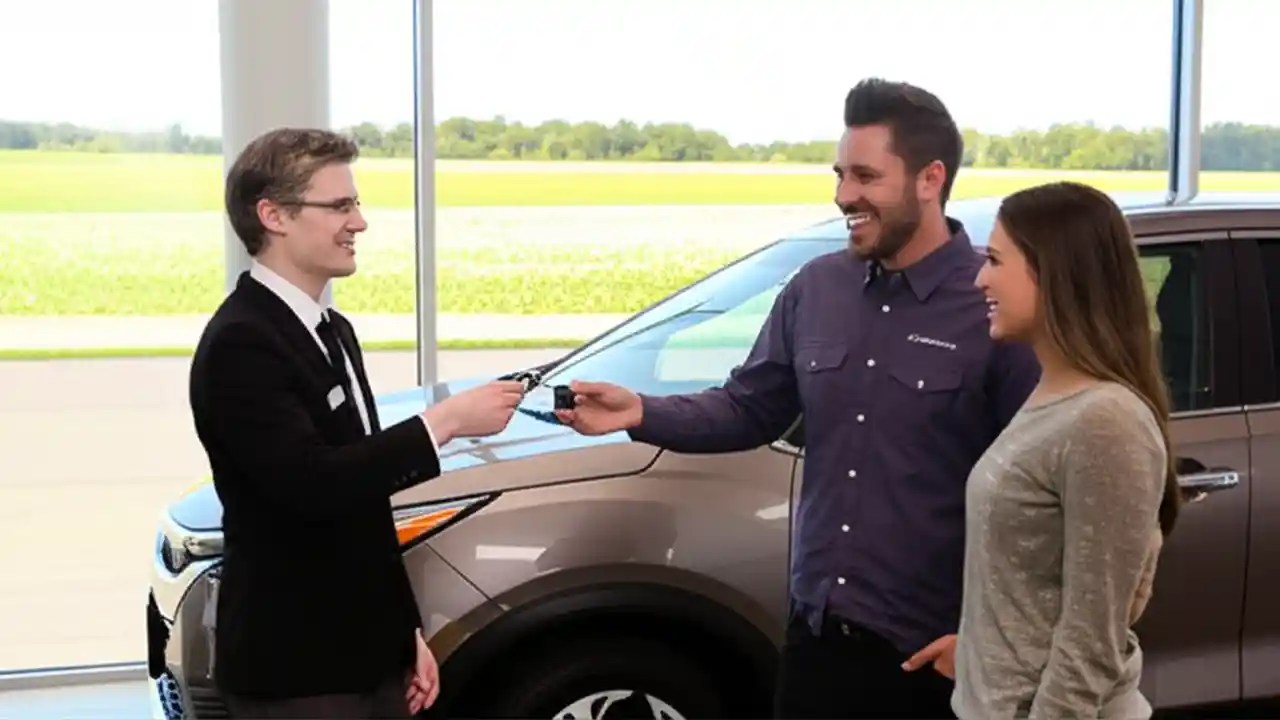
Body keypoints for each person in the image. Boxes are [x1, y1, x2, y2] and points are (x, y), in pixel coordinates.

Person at [553, 78, 1041, 719]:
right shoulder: (815, 289)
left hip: (940, 658)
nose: (844, 195)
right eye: (840, 174)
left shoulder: (993, 304)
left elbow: (1039, 497)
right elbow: (750, 407)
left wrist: (987, 638)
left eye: (865, 176)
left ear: (930, 179)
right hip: (817, 642)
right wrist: (641, 412)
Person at [188, 127, 526, 719]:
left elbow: (364, 507)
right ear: (273, 215)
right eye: (340, 205)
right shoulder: (242, 343)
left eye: (356, 204)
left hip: (367, 656)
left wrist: (405, 634)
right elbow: (311, 485)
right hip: (298, 670)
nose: (359, 223)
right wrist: (441, 423)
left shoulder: (332, 331)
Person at [951, 181, 1178, 719]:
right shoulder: (1054, 395)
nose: (980, 277)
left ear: (1053, 273)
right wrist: (976, 652)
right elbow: (1031, 579)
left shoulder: (1106, 421)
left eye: (996, 260)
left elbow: (1091, 643)